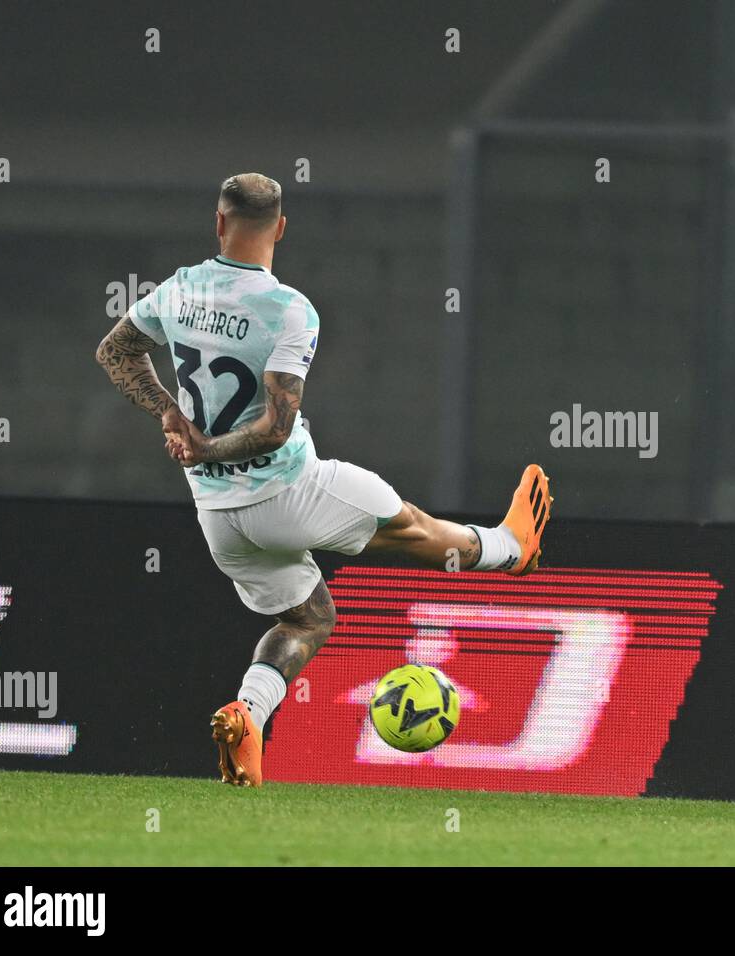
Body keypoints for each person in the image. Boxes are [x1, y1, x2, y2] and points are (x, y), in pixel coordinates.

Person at [96, 173, 552, 788]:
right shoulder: (290, 310)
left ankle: (248, 715)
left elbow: (115, 351)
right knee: (413, 528)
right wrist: (205, 441)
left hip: (217, 516)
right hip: (291, 491)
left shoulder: (179, 288)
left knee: (308, 620)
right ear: (281, 228)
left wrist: (170, 414)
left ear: (218, 222)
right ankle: (512, 550)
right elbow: (277, 427)